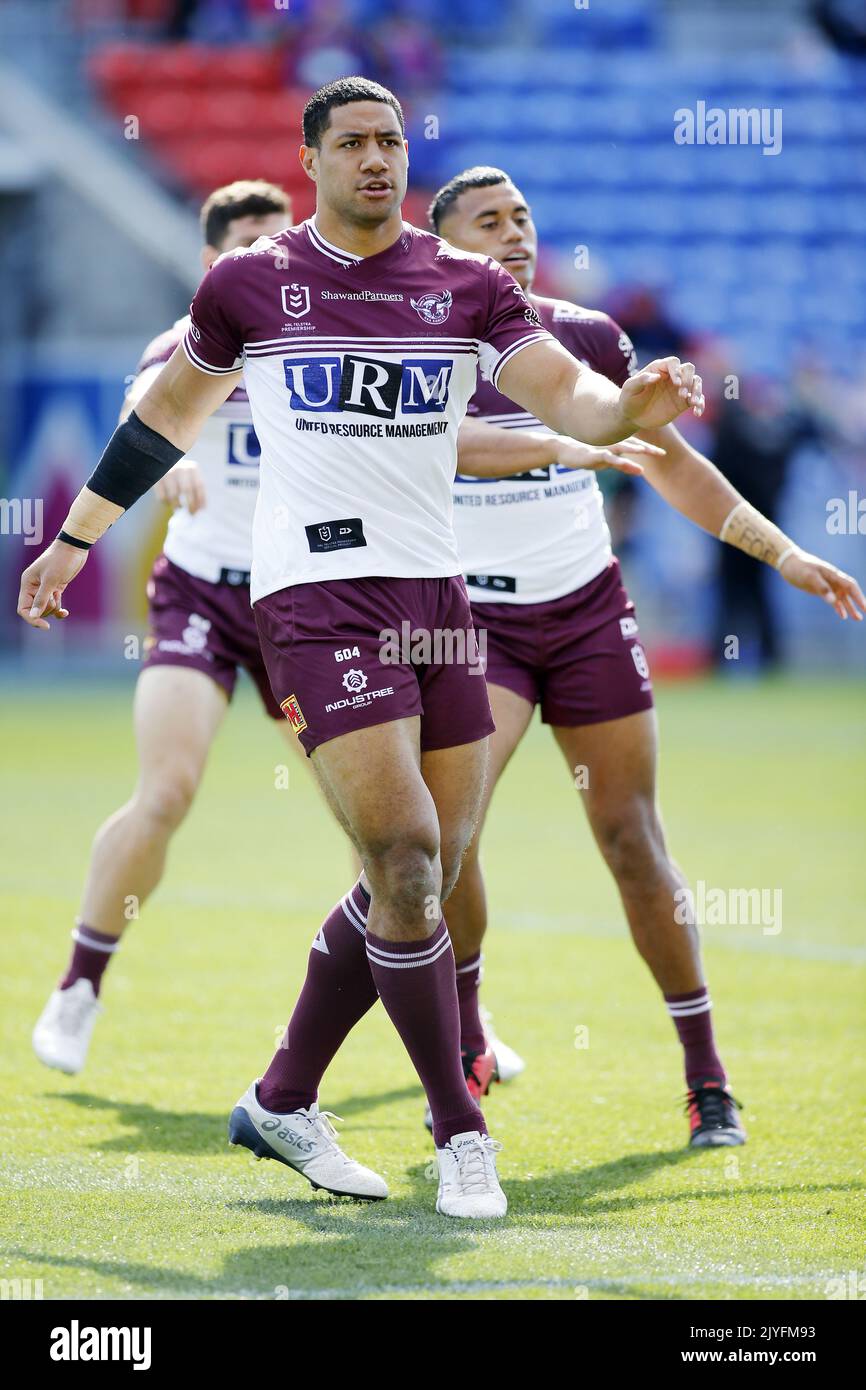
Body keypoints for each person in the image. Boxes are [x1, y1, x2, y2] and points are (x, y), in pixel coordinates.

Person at [18, 78, 708, 1219]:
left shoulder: (465, 285)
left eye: (392, 141)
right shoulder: (253, 282)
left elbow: (567, 401)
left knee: (416, 872)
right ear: (312, 158)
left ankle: (283, 1095)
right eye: (353, 143)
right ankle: (460, 1127)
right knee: (401, 854)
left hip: (438, 601)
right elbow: (163, 420)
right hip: (314, 602)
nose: (378, 160)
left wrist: (628, 404)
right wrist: (73, 538)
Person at [427, 165, 864, 1147]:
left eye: (522, 218)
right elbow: (446, 448)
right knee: (445, 840)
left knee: (630, 838)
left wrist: (780, 550)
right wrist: (568, 444)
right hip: (472, 625)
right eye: (486, 221)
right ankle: (463, 1030)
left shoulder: (582, 337)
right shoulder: (419, 343)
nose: (512, 233)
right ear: (441, 239)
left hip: (583, 611)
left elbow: (668, 461)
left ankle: (707, 1080)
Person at [32, 181, 294, 1077]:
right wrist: (169, 470)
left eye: (278, 245)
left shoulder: (320, 346)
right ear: (213, 263)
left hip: (310, 603)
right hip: (206, 595)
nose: (265, 262)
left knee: (388, 817)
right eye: (247, 247)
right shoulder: (187, 346)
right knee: (168, 790)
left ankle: (462, 1016)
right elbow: (146, 409)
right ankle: (79, 985)